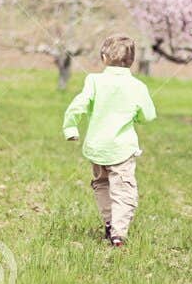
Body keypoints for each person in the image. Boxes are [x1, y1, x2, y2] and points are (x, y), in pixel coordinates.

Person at [62, 35, 156, 247]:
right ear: (132, 62)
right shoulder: (137, 86)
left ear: (104, 58)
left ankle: (109, 222)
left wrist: (70, 127)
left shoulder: (93, 80)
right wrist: (136, 117)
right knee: (124, 189)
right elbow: (148, 115)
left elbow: (79, 105)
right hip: (122, 148)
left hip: (97, 148)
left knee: (101, 184)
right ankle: (118, 233)